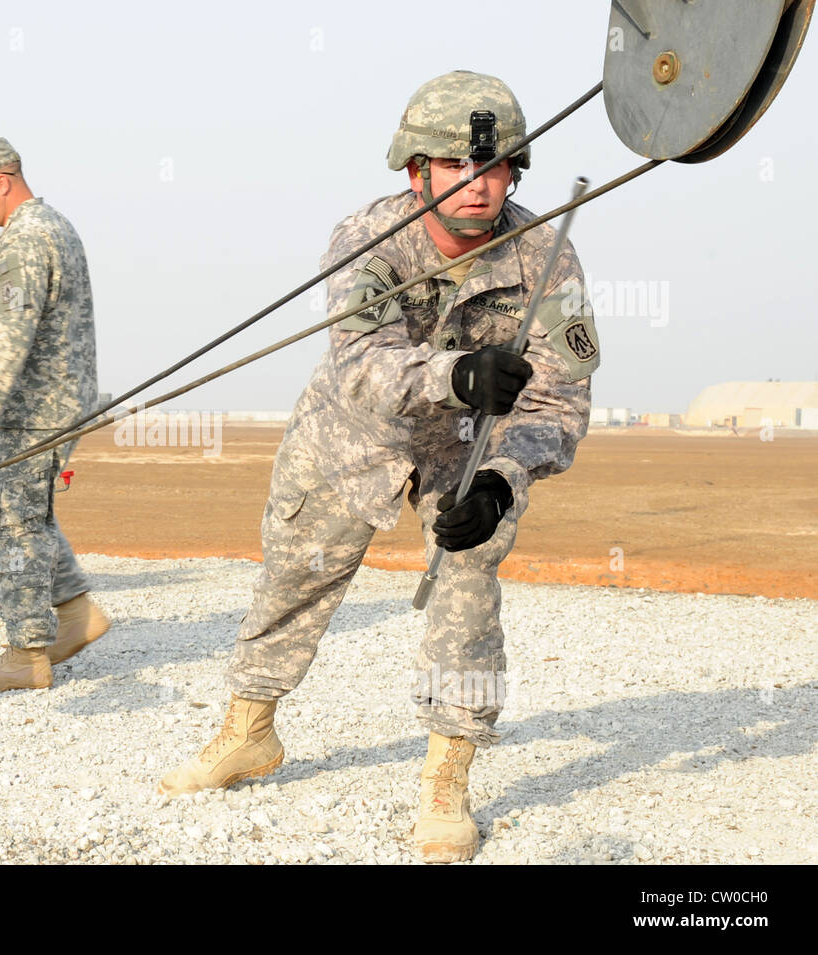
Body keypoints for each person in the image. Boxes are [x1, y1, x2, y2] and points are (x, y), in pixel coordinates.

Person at [158, 71, 601, 864]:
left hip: (467, 451)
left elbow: (558, 400)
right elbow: (362, 362)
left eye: (495, 165)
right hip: (353, 433)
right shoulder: (368, 238)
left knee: (468, 583)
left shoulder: (548, 257)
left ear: (515, 172)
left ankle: (448, 773)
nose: (477, 183)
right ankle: (248, 730)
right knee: (293, 575)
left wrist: (503, 480)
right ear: (416, 170)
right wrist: (458, 373)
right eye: (456, 165)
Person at [0, 137, 109, 692]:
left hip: (35, 407)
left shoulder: (24, 239)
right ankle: (76, 614)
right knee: (31, 512)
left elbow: (12, 333)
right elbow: (24, 322)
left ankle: (27, 653)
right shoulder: (54, 225)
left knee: (10, 520)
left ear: (1, 180)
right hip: (59, 397)